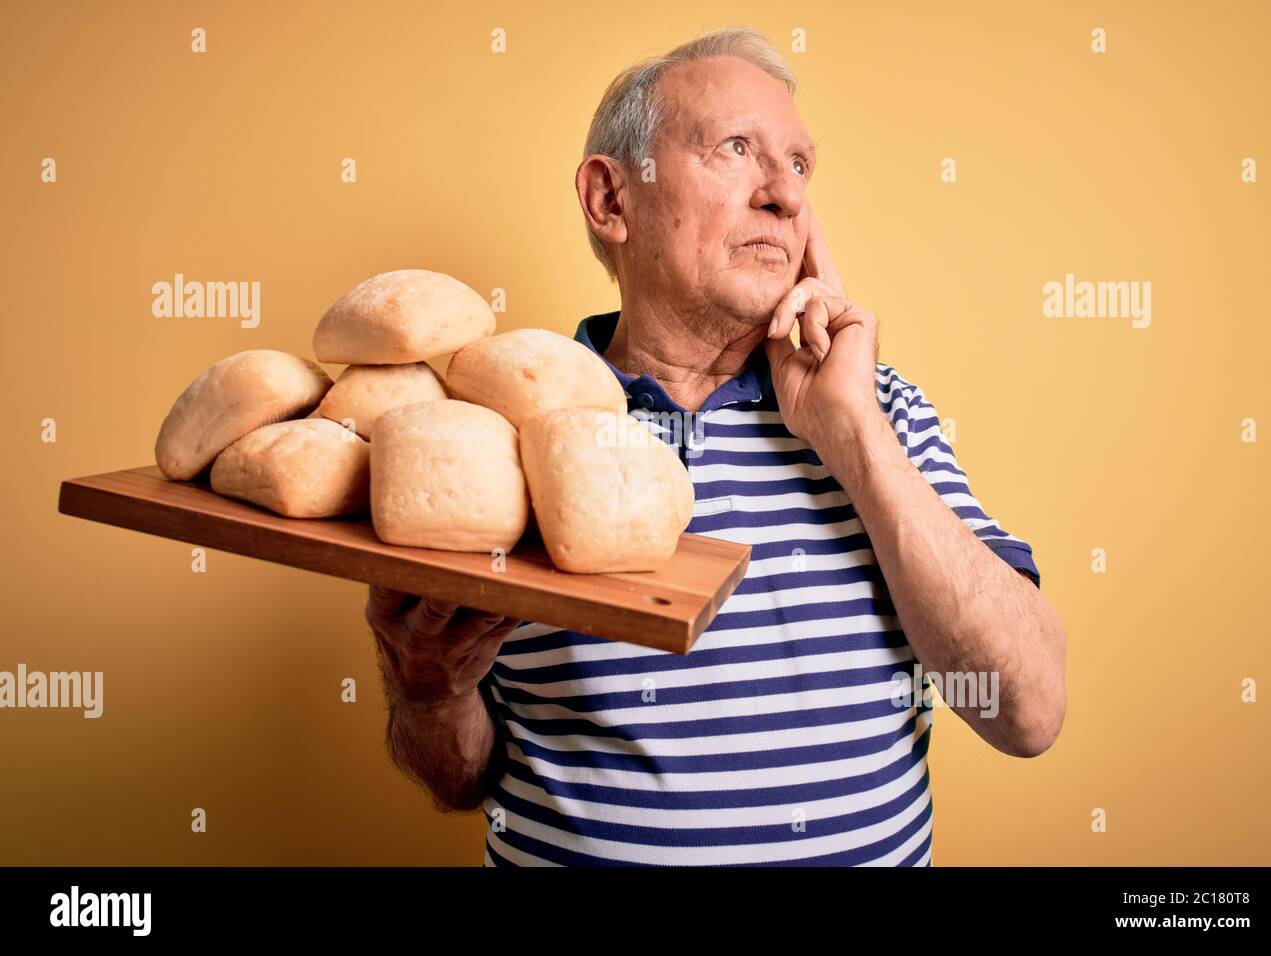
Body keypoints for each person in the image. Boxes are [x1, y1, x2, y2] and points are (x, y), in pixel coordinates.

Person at [365, 26, 1067, 866]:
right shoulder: (490, 432)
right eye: (736, 149)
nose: (785, 196)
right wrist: (430, 692)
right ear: (611, 200)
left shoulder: (883, 415)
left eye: (800, 165)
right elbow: (463, 780)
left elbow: (1027, 713)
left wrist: (851, 436)